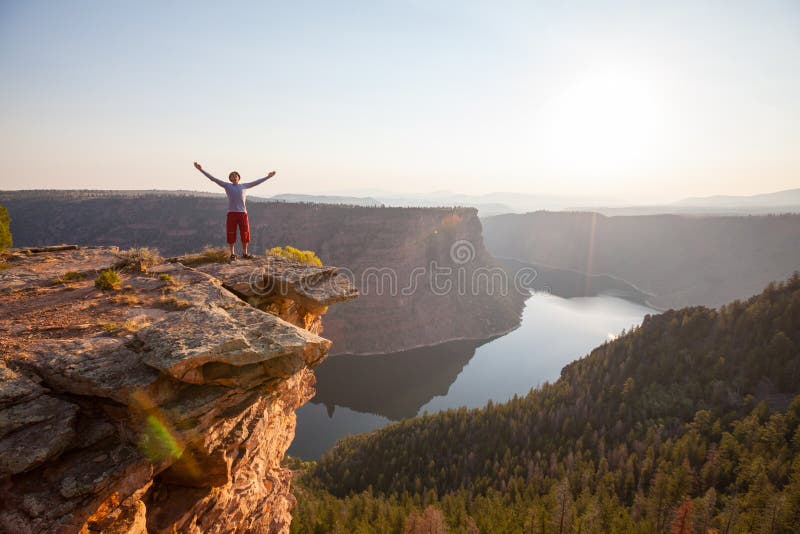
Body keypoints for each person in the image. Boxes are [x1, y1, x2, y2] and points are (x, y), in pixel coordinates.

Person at [194, 162, 276, 260]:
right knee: (231, 232)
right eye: (232, 175)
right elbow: (213, 179)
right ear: (230, 178)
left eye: (235, 175)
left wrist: (268, 177)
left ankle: (245, 253)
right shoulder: (227, 185)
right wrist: (201, 170)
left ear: (238, 177)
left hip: (243, 213)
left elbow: (257, 182)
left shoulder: (244, 186)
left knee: (245, 233)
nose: (234, 176)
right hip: (232, 213)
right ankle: (232, 254)